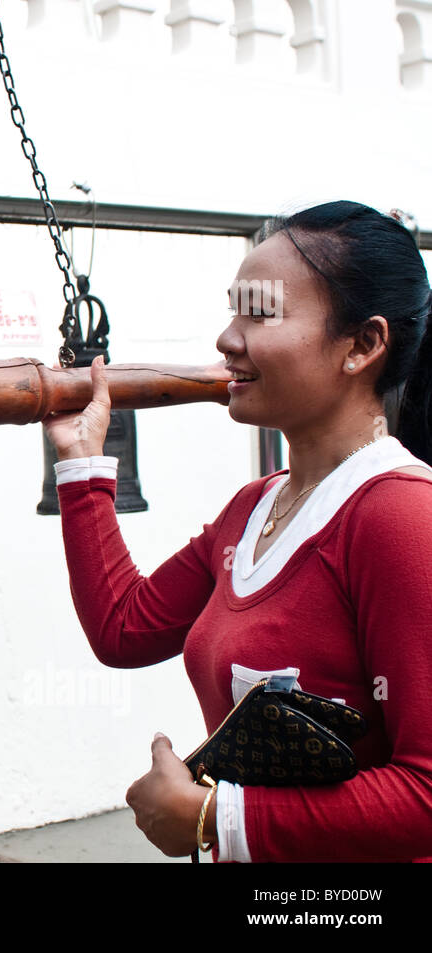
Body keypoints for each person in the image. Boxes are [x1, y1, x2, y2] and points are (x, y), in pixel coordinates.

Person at [43, 200, 432, 862]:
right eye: (233, 311)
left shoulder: (400, 517)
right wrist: (82, 465)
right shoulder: (253, 509)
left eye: (261, 313)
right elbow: (123, 627)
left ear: (362, 345)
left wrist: (215, 818)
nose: (228, 338)